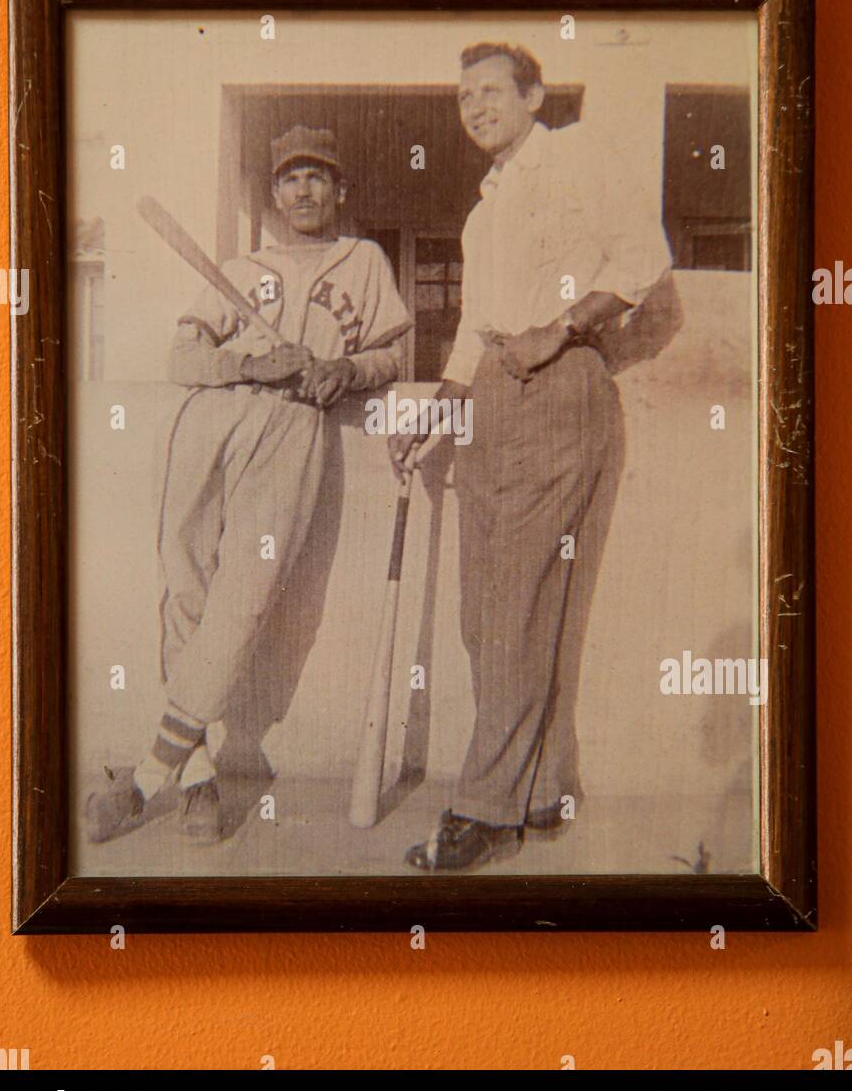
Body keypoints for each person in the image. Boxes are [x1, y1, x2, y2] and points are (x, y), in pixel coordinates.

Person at [389, 42, 671, 872]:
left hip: (558, 389)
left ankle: (482, 809)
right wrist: (433, 414)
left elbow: (644, 258)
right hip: (489, 399)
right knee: (491, 613)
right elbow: (474, 332)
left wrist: (564, 327)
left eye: (491, 92)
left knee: (514, 606)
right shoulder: (483, 212)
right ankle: (542, 792)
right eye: (463, 96)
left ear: (534, 95)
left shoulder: (578, 151)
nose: (475, 108)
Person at [88, 125, 411, 845]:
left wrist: (348, 372)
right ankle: (200, 779)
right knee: (184, 585)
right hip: (209, 420)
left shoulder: (363, 262)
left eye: (318, 177)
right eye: (291, 177)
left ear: (340, 191)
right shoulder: (241, 266)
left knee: (246, 594)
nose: (304, 190)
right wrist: (247, 366)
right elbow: (182, 355)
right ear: (273, 194)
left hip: (296, 427)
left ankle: (149, 775)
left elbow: (392, 352)